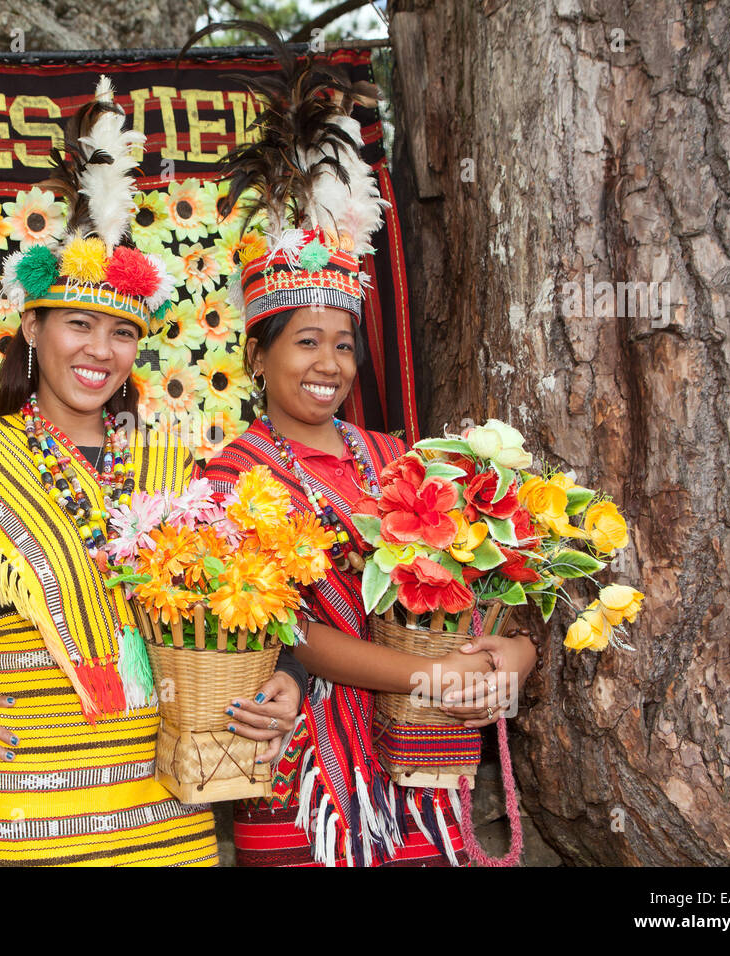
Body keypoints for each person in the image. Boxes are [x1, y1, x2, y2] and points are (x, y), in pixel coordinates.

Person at [0, 76, 304, 866]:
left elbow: (246, 605)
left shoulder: (174, 466)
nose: (99, 351)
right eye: (78, 324)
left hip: (163, 799)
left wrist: (287, 680)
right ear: (32, 327)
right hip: (19, 800)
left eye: (120, 333)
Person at [184, 21, 537, 866]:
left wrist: (510, 656)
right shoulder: (229, 477)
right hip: (302, 776)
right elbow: (285, 635)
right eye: (305, 342)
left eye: (344, 345)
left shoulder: (401, 460)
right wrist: (423, 675)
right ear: (259, 354)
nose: (329, 364)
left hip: (427, 763)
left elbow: (491, 590)